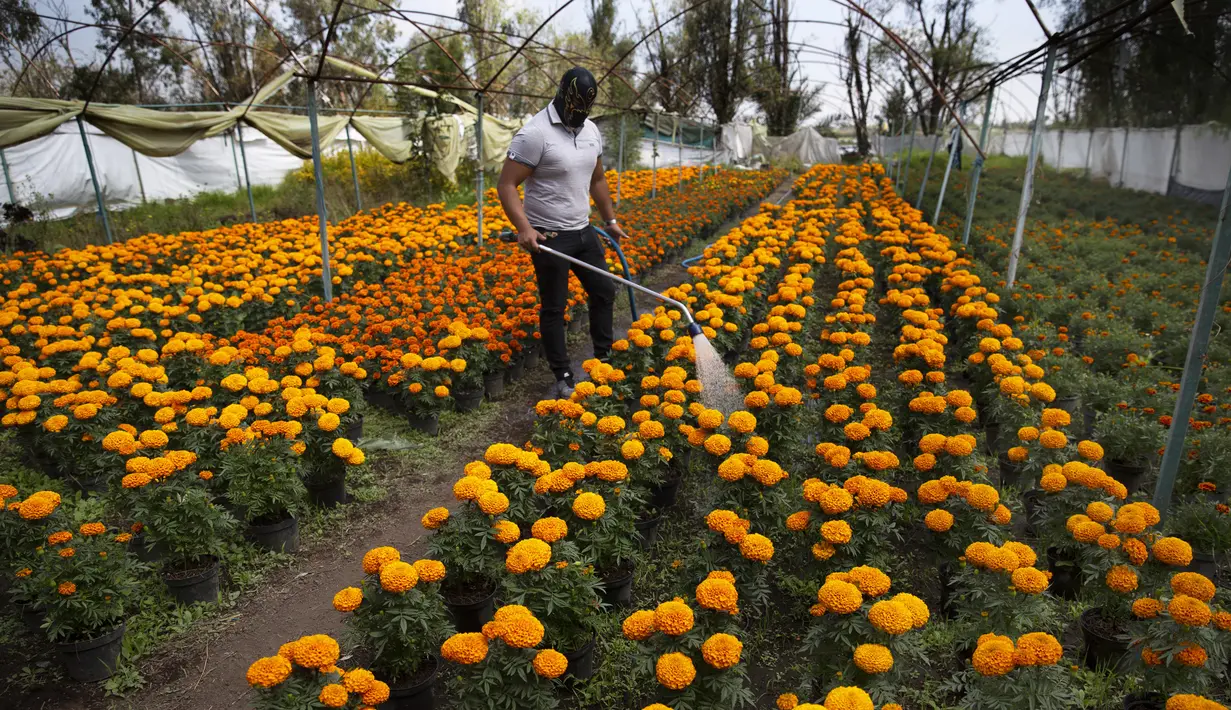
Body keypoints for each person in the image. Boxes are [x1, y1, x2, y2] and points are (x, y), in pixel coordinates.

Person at [497, 66, 627, 399]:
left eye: (583, 114)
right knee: (555, 307)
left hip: (583, 231)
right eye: (573, 111)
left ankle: (604, 359)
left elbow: (597, 179)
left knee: (603, 291)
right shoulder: (535, 134)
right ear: (561, 97)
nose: (576, 118)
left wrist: (610, 220)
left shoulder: (591, 130)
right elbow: (507, 185)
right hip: (549, 237)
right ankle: (563, 375)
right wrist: (524, 228)